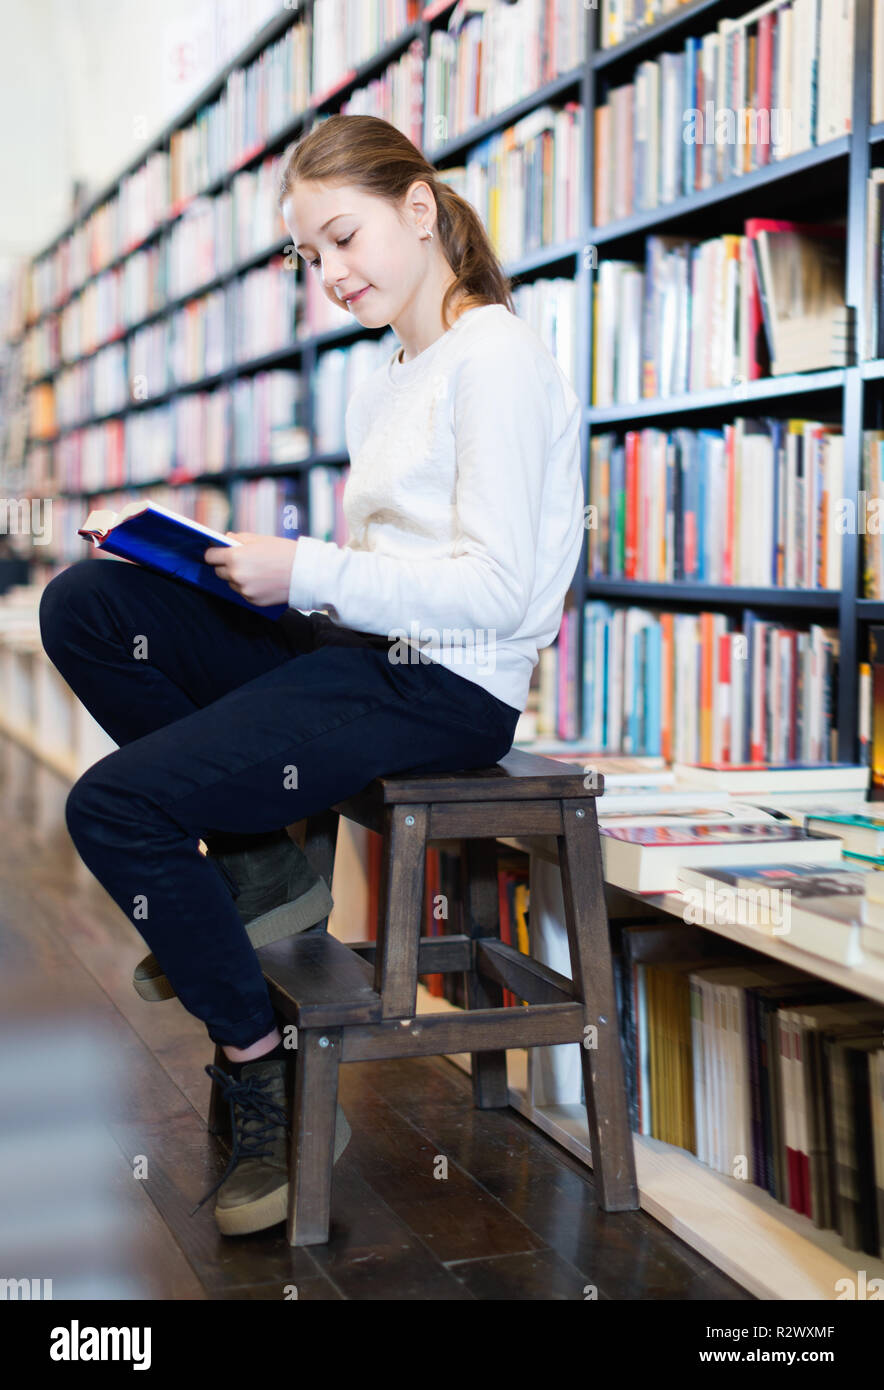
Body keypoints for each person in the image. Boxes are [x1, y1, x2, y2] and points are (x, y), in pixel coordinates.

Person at [38, 113, 585, 1238]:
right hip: (356, 644)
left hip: (444, 683)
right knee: (90, 602)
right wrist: (246, 571)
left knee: (116, 804)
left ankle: (260, 1061)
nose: (329, 275)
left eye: (343, 240)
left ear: (419, 210)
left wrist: (311, 569)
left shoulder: (499, 359)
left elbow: (492, 590)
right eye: (310, 256)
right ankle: (254, 862)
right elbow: (378, 570)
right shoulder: (392, 371)